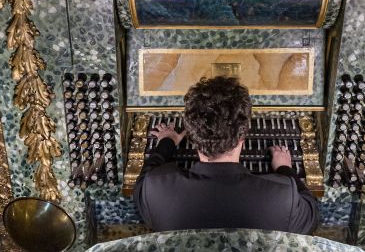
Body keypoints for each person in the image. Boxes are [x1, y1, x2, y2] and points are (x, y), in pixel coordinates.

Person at [133, 76, 319, 234]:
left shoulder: (155, 189)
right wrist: (285, 169)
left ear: (192, 136)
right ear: (243, 135)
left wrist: (167, 142)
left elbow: (144, 181)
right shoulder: (283, 196)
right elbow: (312, 213)